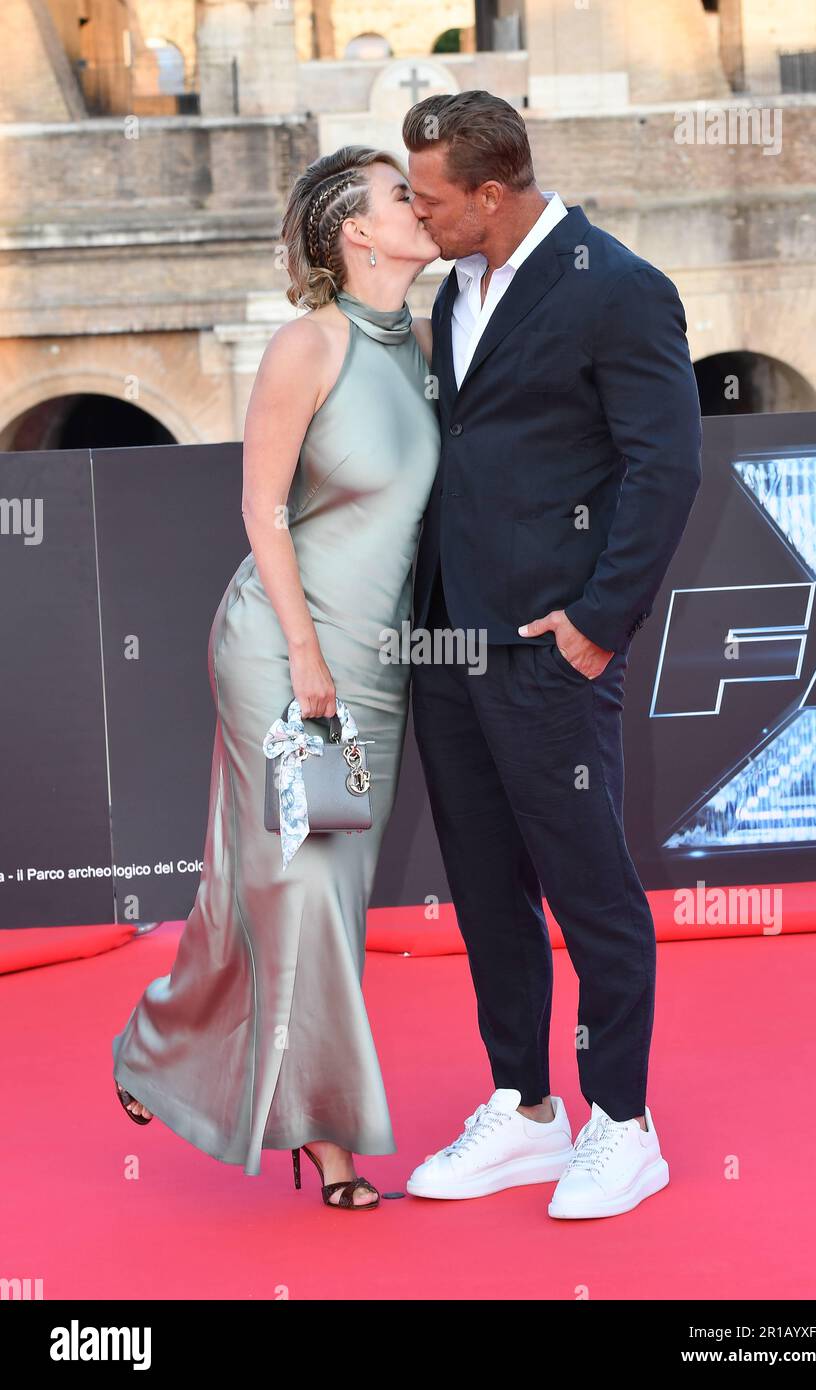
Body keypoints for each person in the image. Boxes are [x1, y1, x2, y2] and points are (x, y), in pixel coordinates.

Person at [111, 145, 441, 1210]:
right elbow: (262, 508)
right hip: (288, 658)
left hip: (377, 669)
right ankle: (331, 1138)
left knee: (312, 890)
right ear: (356, 230)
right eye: (402, 194)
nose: (422, 204)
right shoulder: (309, 344)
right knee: (306, 889)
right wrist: (305, 653)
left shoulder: (422, 347)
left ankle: (160, 1044)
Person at [402, 91, 703, 1218]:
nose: (417, 216)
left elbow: (665, 466)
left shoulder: (618, 288)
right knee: (486, 887)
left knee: (589, 889)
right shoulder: (455, 287)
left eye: (430, 200)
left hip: (547, 649)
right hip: (449, 638)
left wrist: (598, 622)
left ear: (491, 194)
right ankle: (527, 1109)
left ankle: (624, 1125)